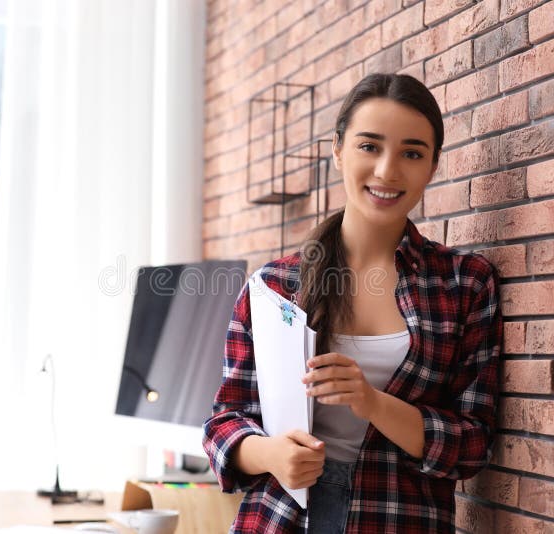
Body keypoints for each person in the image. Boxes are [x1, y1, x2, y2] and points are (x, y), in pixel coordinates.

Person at [202, 72, 504, 533]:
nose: (387, 170)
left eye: (411, 153)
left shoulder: (464, 283)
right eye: (369, 146)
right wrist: (273, 454)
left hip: (398, 518)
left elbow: (474, 443)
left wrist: (373, 403)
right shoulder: (274, 286)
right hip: (280, 518)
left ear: (433, 166)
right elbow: (224, 423)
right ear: (339, 150)